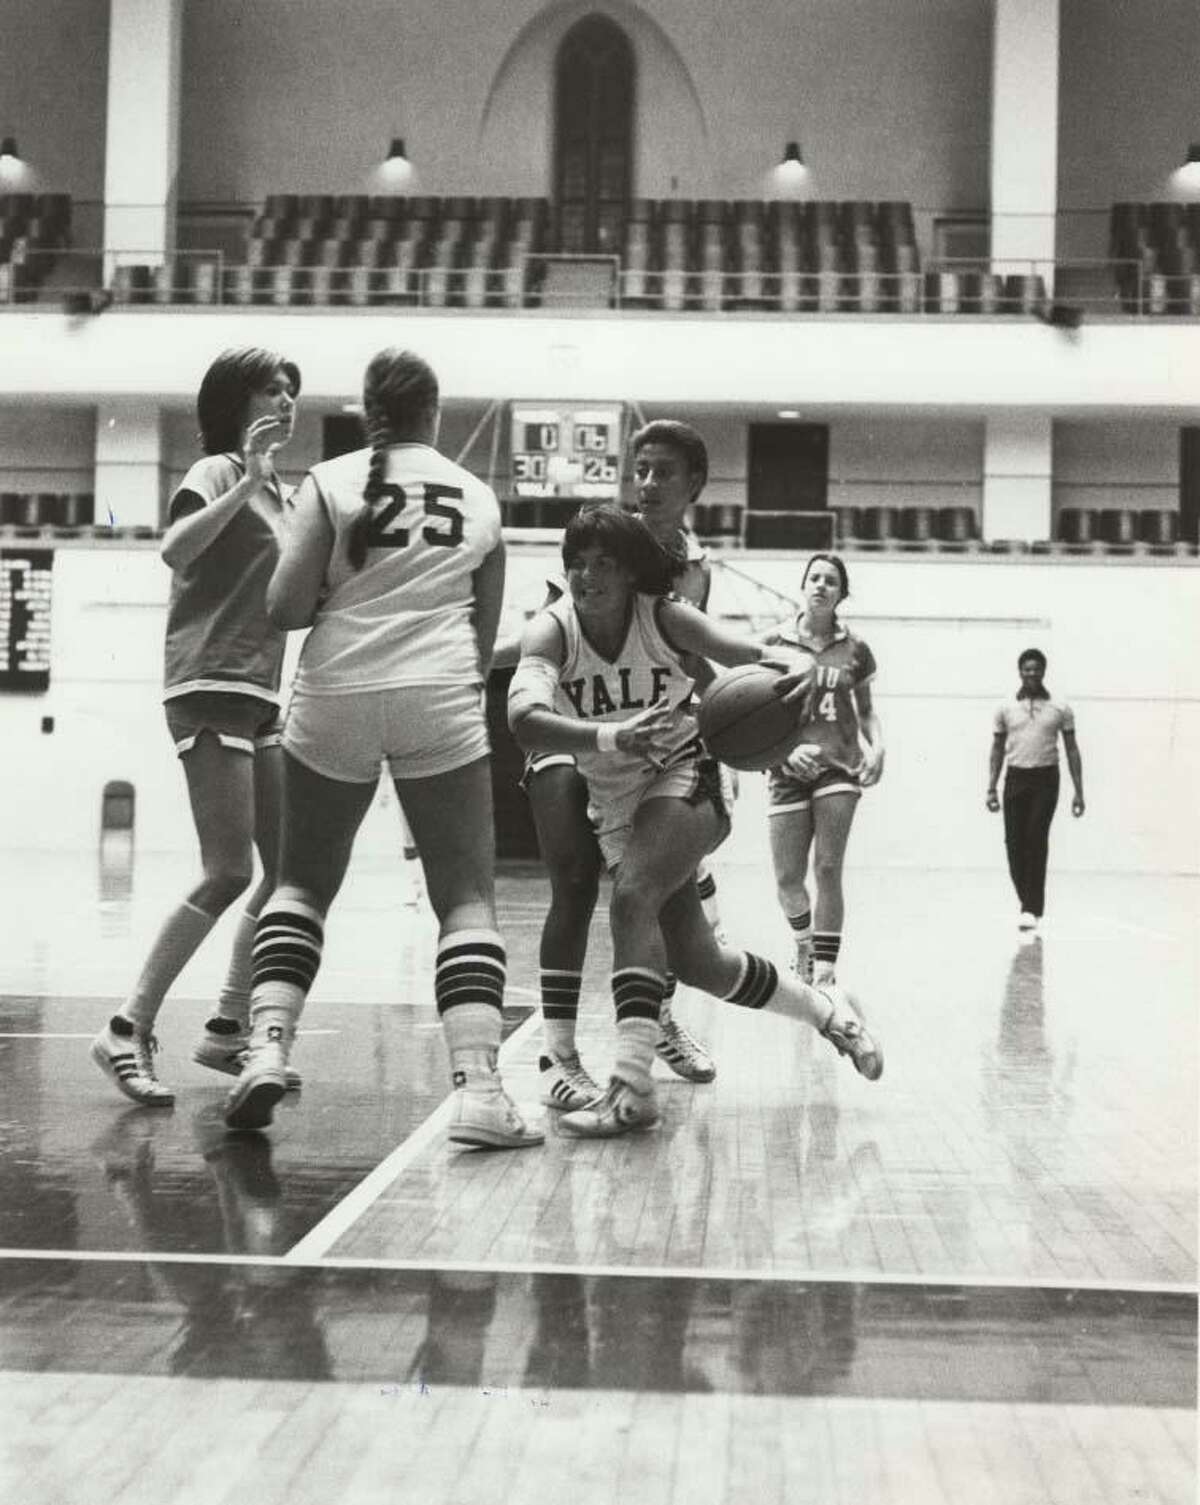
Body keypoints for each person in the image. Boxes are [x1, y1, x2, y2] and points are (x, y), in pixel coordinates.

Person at [223, 346, 540, 1151]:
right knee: (465, 896)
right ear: (435, 412)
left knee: (301, 882)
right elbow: (481, 638)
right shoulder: (478, 495)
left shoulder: (328, 482)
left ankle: (265, 1046)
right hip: (438, 692)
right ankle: (477, 1087)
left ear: (370, 412)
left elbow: (285, 606)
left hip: (335, 692)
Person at [508, 504, 883, 1138]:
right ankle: (826, 1011)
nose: (588, 577)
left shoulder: (661, 615)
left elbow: (754, 652)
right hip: (618, 799)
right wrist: (610, 736)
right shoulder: (551, 631)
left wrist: (789, 671)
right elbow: (523, 720)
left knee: (631, 898)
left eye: (604, 565)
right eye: (577, 564)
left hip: (689, 774)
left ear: (631, 574)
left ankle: (630, 1088)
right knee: (702, 961)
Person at [91, 345, 303, 1106]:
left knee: (285, 875)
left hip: (261, 691)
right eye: (271, 388)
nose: (286, 399)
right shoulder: (217, 470)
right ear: (235, 403)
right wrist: (244, 478)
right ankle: (126, 1025)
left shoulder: (287, 491)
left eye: (291, 390)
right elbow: (176, 551)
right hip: (208, 680)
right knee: (229, 870)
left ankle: (225, 1027)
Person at [496, 420, 725, 1114]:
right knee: (573, 879)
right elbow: (549, 632)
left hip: (649, 736)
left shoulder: (695, 567)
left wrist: (732, 720)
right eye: (640, 471)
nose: (648, 484)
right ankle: (558, 1056)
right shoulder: (600, 544)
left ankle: (651, 1018)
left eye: (662, 473)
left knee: (659, 888)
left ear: (694, 486)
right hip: (573, 720)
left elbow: (690, 667)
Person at [764, 553, 884, 985]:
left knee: (828, 868)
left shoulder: (856, 648)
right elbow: (756, 717)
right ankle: (804, 945)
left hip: (839, 765)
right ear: (803, 586)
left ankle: (827, 973)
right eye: (813, 578)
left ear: (841, 594)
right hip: (787, 767)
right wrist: (779, 754)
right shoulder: (772, 644)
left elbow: (867, 711)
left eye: (830, 581)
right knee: (787, 878)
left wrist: (879, 747)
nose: (820, 585)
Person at [987, 647, 1085, 931]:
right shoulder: (1005, 708)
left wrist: (1079, 791)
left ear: (1044, 671)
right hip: (1015, 778)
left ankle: (1031, 907)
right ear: (1020, 671)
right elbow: (996, 749)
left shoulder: (1060, 707)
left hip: (1046, 779)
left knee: (1036, 837)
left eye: (1036, 669)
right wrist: (991, 788)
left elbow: (1072, 750)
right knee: (1014, 843)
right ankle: (1028, 901)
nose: (1032, 673)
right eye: (1027, 669)